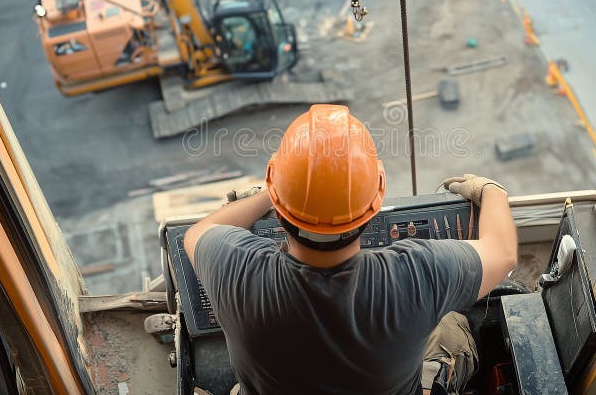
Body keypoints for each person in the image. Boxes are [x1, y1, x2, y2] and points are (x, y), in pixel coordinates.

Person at [184, 104, 517, 394]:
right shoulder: (418, 275)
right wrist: (491, 191)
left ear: (280, 206)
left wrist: (272, 192)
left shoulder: (235, 270)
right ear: (374, 201)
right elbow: (502, 253)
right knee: (452, 327)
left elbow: (198, 233)